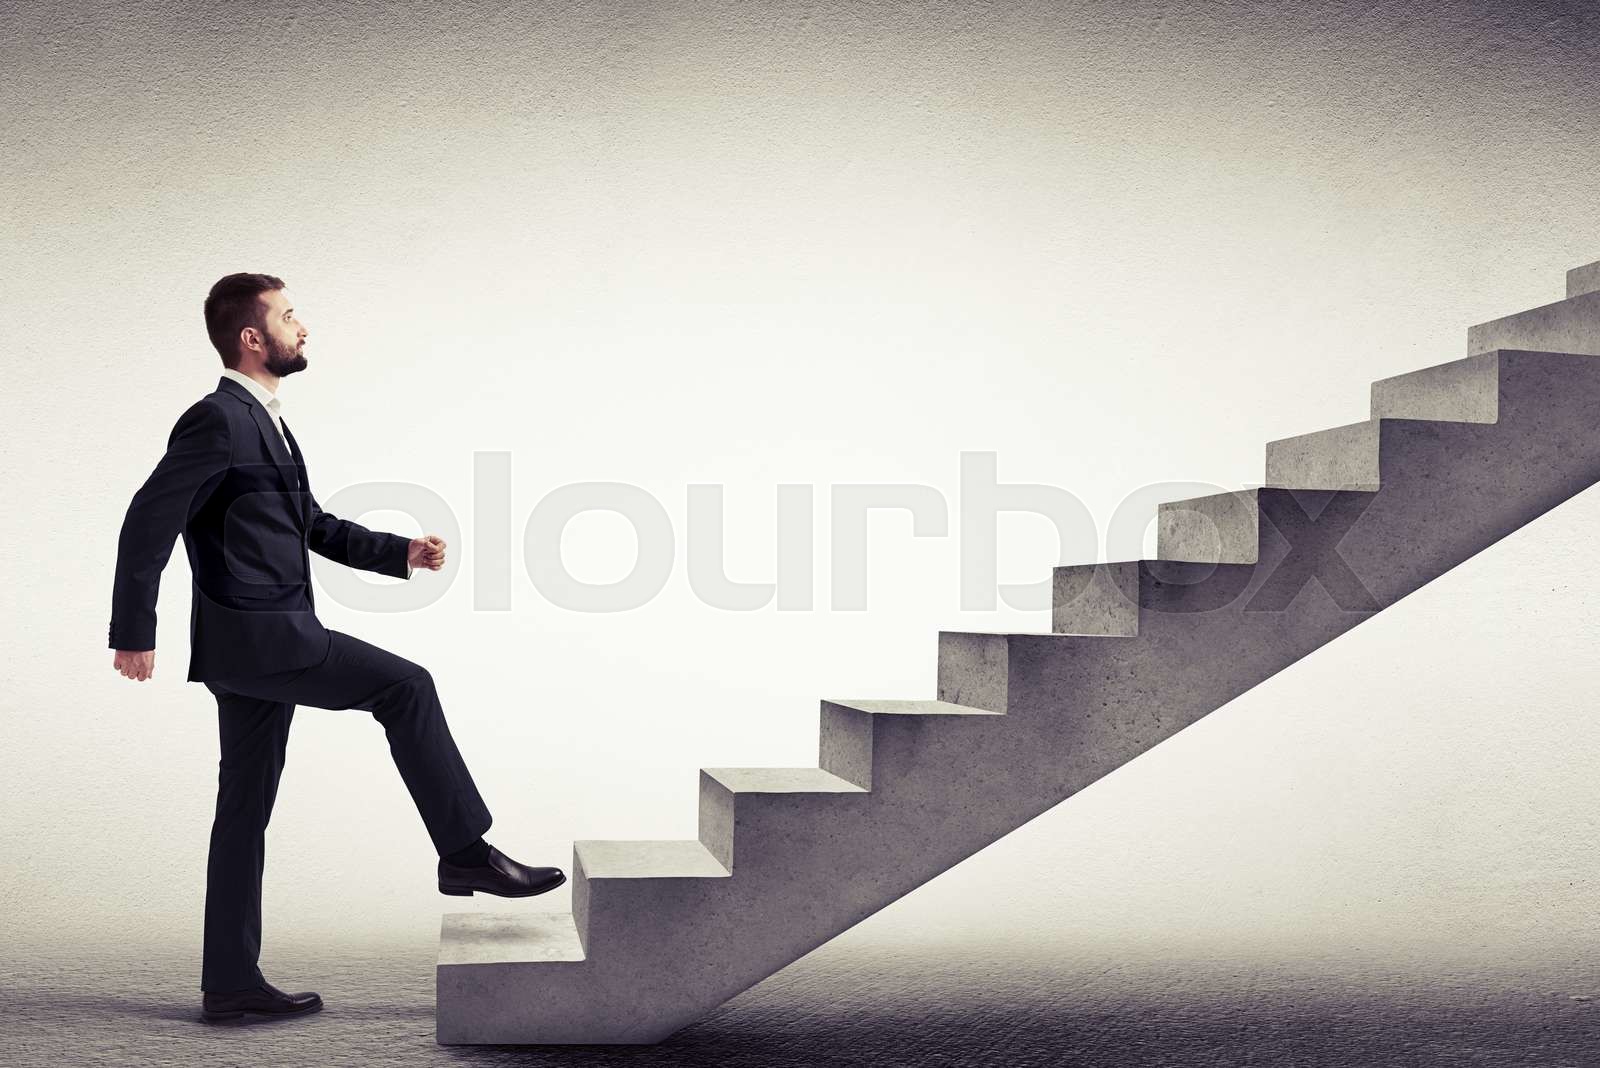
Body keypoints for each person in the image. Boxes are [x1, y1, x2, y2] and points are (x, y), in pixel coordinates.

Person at [108, 272, 564, 1025]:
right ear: (253, 338)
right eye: (290, 317)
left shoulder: (272, 424)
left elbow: (311, 524)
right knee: (406, 687)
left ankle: (228, 984)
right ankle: (465, 850)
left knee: (242, 813)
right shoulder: (217, 421)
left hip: (250, 646)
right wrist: (134, 630)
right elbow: (146, 520)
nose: (304, 327)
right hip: (266, 638)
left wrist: (400, 552)